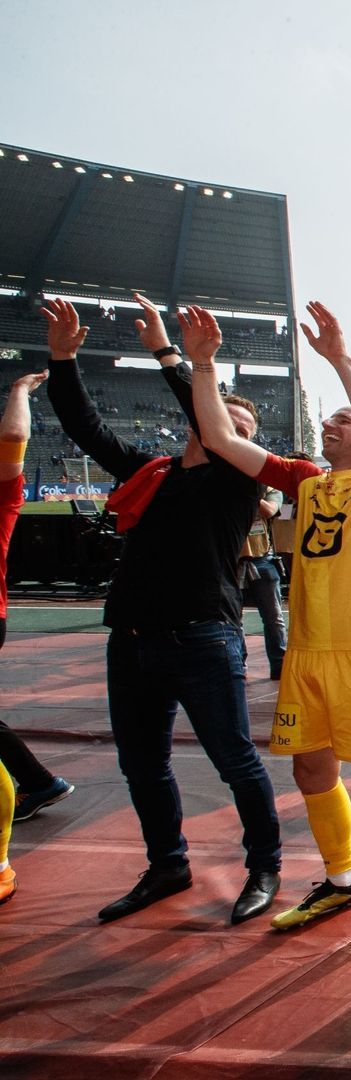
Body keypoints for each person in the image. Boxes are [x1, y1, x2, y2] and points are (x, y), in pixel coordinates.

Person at [184, 301, 351, 940]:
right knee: (311, 770)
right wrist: (204, 365)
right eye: (328, 416)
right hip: (310, 651)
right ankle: (342, 881)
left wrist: (341, 359)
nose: (330, 422)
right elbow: (219, 440)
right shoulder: (306, 481)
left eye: (341, 419)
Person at [44, 295, 282, 925]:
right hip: (132, 637)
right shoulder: (153, 473)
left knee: (234, 758)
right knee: (142, 764)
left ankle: (265, 866)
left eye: (240, 428)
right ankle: (167, 864)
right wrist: (64, 360)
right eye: (217, 418)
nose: (222, 428)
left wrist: (171, 356)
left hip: (203, 636)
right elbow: (84, 427)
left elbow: (211, 427)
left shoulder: (238, 482)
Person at [2, 370, 77, 906]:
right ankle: (38, 782)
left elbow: (13, 441)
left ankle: (3, 855)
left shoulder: (3, 497)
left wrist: (20, 393)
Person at [238, 487, 287, 680]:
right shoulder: (226, 488)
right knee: (234, 620)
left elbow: (269, 510)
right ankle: (238, 665)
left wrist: (248, 491)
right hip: (233, 561)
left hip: (263, 560)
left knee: (274, 619)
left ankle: (279, 665)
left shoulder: (270, 490)